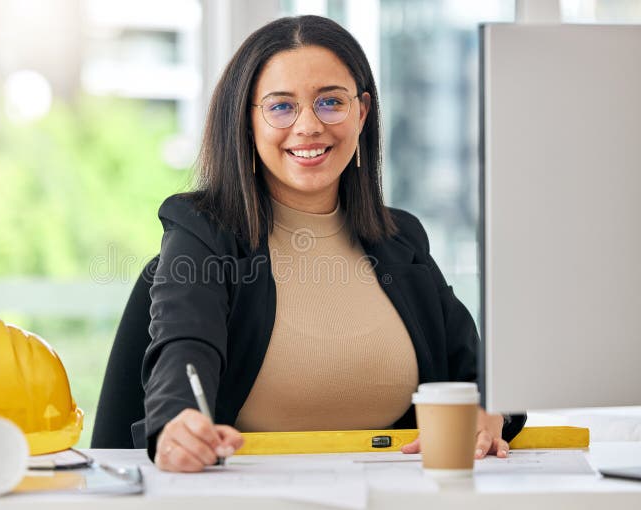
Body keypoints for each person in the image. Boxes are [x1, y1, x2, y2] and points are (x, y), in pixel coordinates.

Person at [139, 15, 526, 473]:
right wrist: (178, 423)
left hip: (396, 495)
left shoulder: (400, 239)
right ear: (247, 120)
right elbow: (183, 347)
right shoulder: (203, 230)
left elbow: (484, 379)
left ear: (361, 113)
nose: (308, 125)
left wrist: (489, 410)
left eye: (330, 102)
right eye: (281, 107)